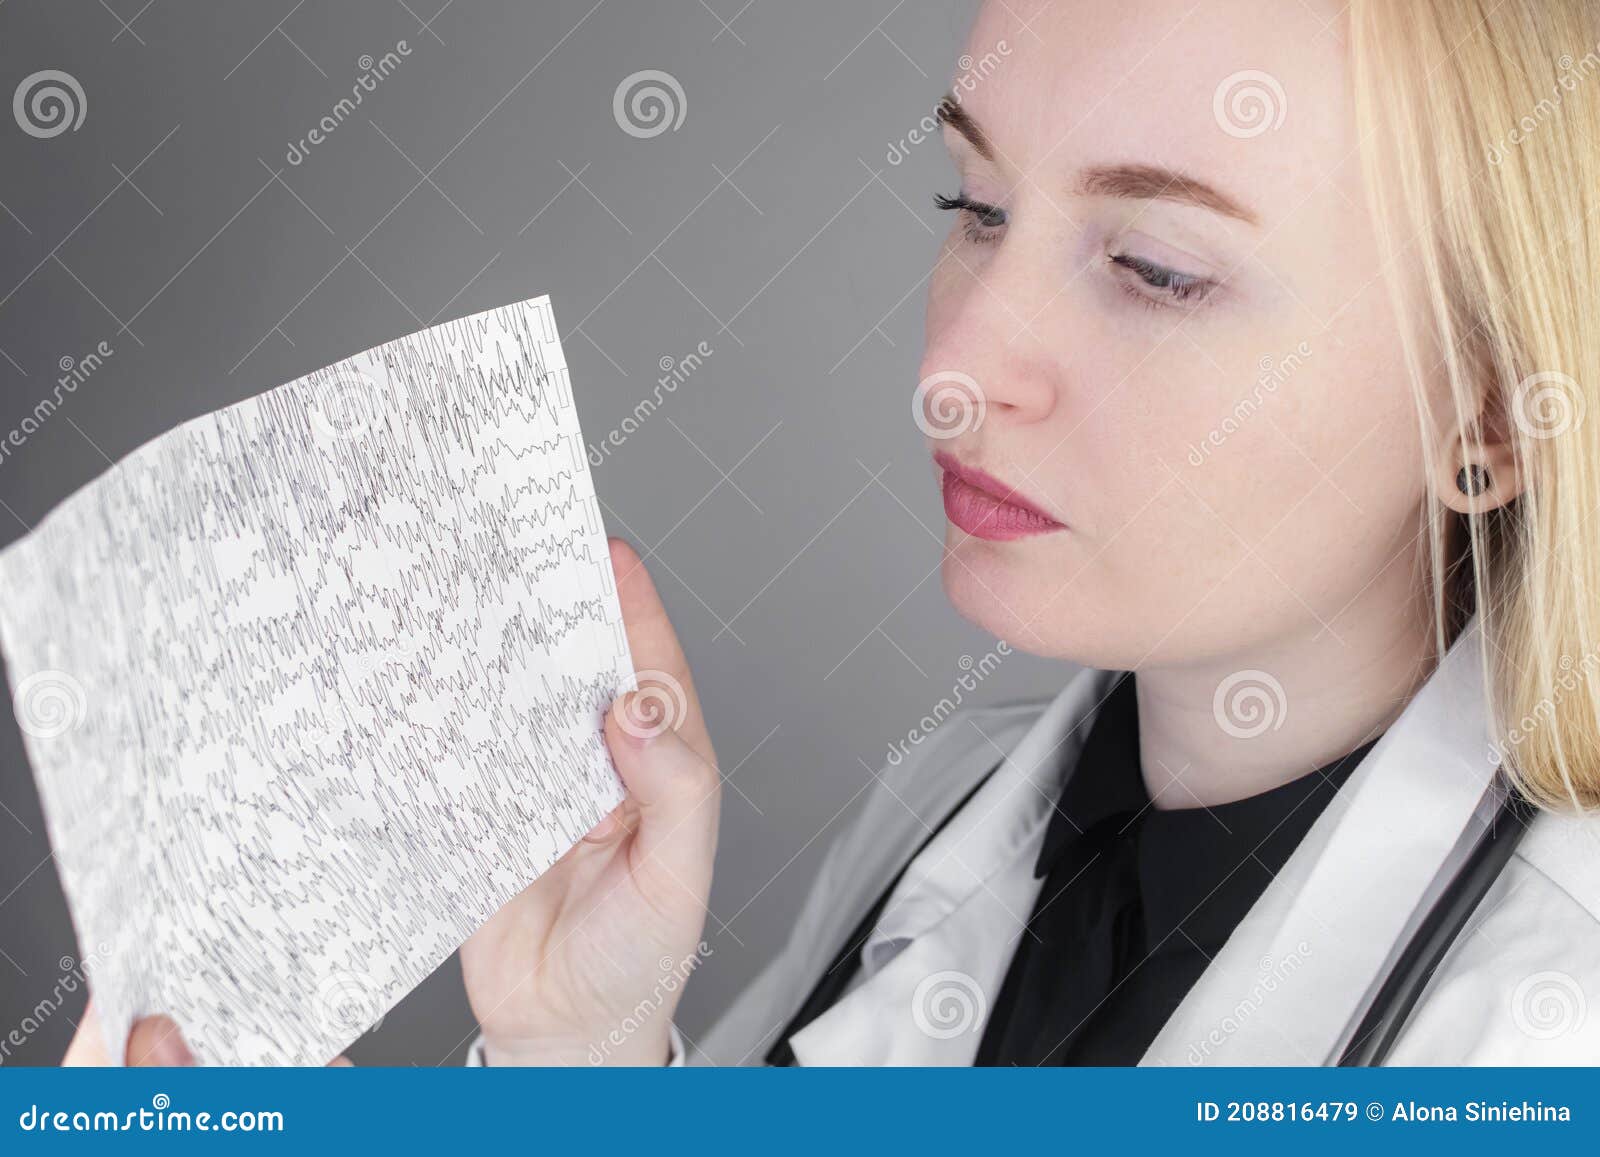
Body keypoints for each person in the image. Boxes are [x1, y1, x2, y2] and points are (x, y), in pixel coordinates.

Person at [70, 0, 1600, 1066]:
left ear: (1485, 415)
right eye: (975, 203)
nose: (954, 368)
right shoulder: (962, 798)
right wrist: (579, 1058)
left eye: (1153, 267)